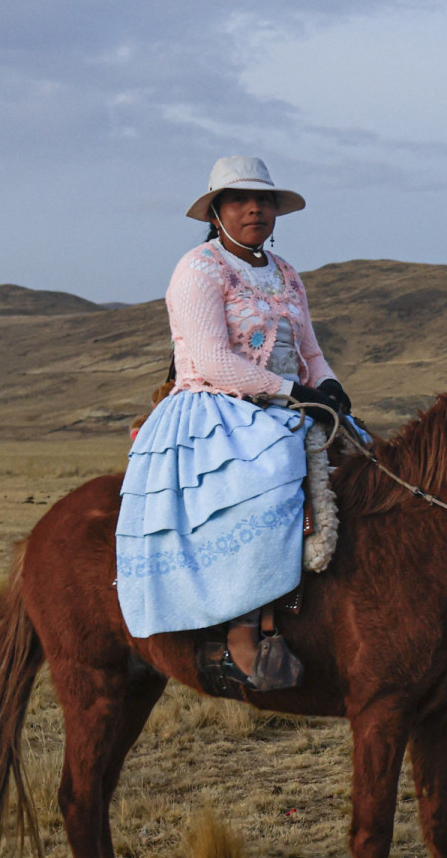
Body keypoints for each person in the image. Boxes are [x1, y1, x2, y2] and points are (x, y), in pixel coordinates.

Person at [115, 156, 354, 690]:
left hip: (290, 404)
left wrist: (330, 386)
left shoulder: (287, 273)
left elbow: (311, 352)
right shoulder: (198, 269)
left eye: (264, 200)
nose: (254, 209)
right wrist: (294, 392)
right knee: (270, 468)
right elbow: (214, 360)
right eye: (240, 200)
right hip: (215, 406)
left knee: (369, 459)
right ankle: (242, 630)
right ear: (216, 212)